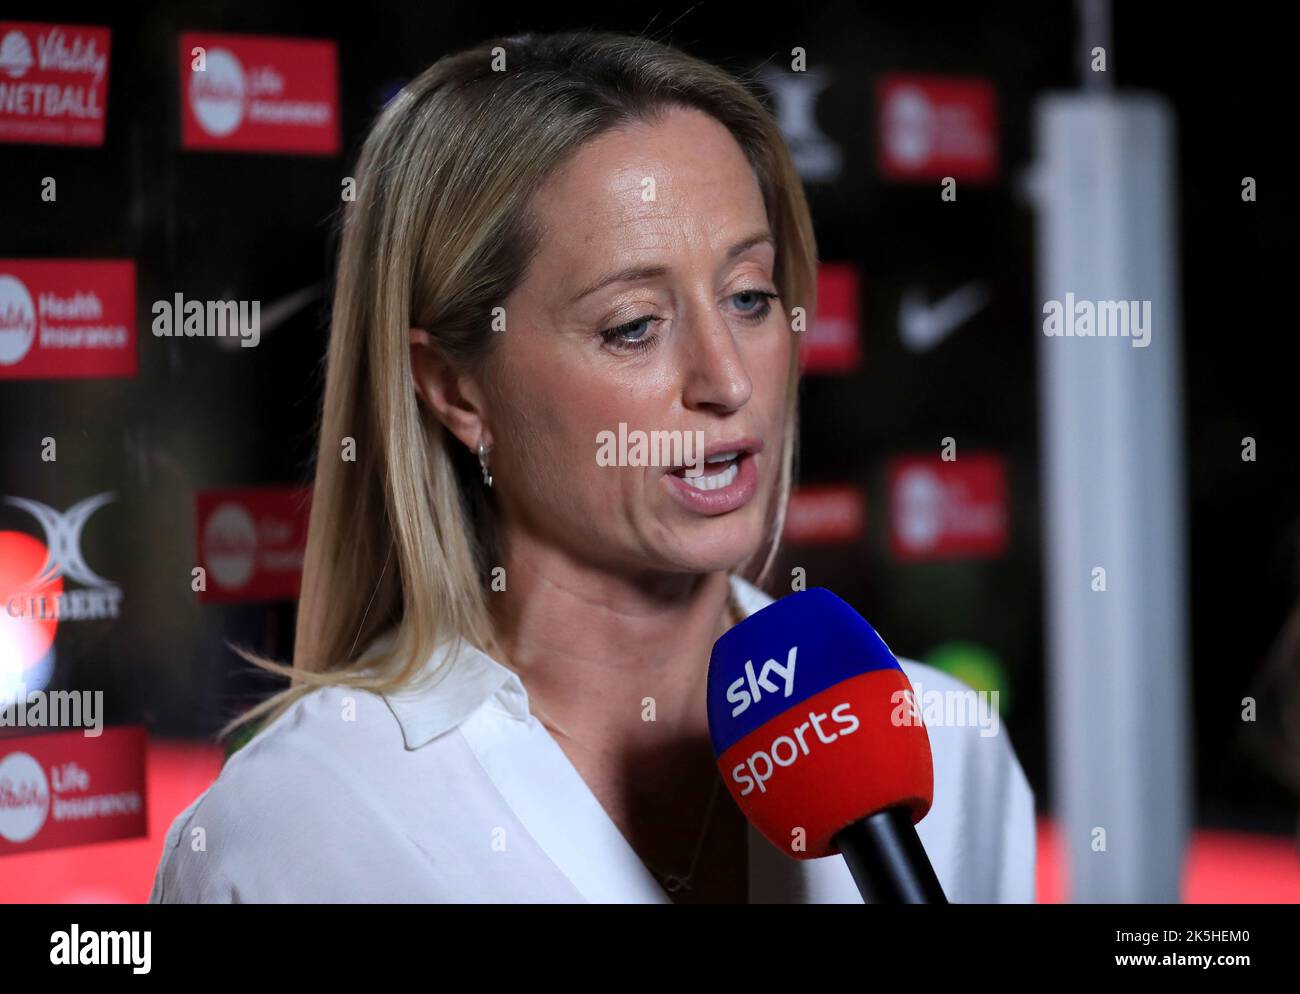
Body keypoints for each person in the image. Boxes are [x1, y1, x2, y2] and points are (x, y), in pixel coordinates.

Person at [151, 30, 1035, 904]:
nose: (727, 380)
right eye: (634, 325)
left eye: (750, 297)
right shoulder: (293, 830)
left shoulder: (948, 754)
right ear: (456, 388)